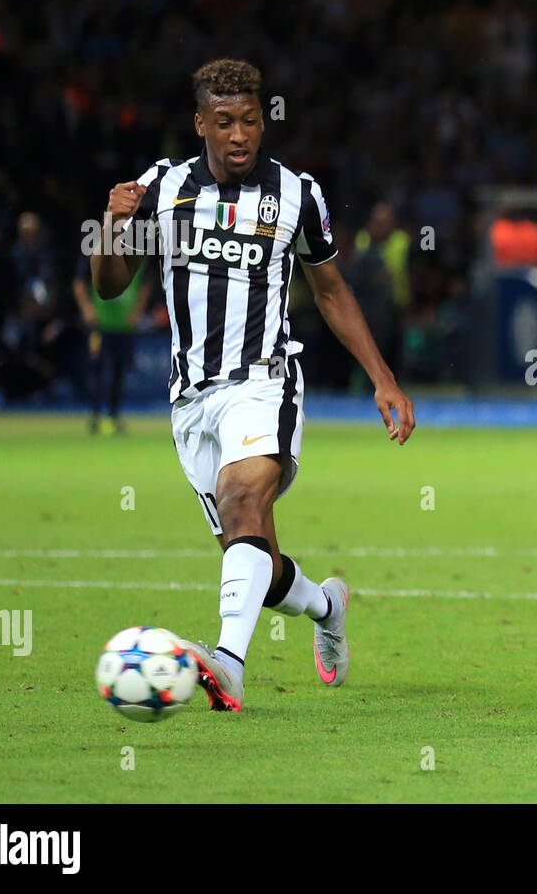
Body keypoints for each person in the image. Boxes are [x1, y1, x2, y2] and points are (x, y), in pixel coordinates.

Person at [91, 58, 414, 711]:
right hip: (192, 400)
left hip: (264, 380)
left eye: (251, 120)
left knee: (243, 500)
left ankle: (229, 666)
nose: (239, 135)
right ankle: (327, 606)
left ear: (263, 120)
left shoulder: (296, 194)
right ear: (201, 124)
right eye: (224, 122)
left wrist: (382, 379)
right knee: (256, 560)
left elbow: (330, 290)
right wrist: (111, 223)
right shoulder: (163, 187)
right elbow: (110, 285)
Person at [73, 248, 152, 434]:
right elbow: (79, 282)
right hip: (100, 325)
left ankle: (113, 416)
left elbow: (146, 283)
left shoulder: (138, 248)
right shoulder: (96, 248)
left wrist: (138, 311)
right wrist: (87, 309)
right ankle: (95, 416)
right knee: (98, 370)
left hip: (125, 325)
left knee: (119, 372)